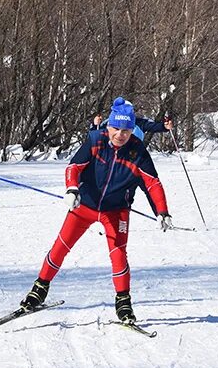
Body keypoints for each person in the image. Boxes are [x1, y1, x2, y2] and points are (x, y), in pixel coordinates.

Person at [21, 99, 175, 323]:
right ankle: (40, 287)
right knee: (61, 246)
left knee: (118, 253)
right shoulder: (96, 140)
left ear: (132, 130)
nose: (120, 135)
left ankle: (123, 302)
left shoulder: (138, 150)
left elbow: (152, 183)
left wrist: (162, 211)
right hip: (85, 205)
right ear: (109, 126)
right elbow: (74, 166)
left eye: (126, 130)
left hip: (116, 210)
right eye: (116, 129)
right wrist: (72, 189)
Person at [91, 96, 172, 143]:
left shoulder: (138, 122)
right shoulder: (111, 122)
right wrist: (95, 124)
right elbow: (95, 134)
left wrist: (164, 126)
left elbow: (152, 126)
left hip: (133, 156)